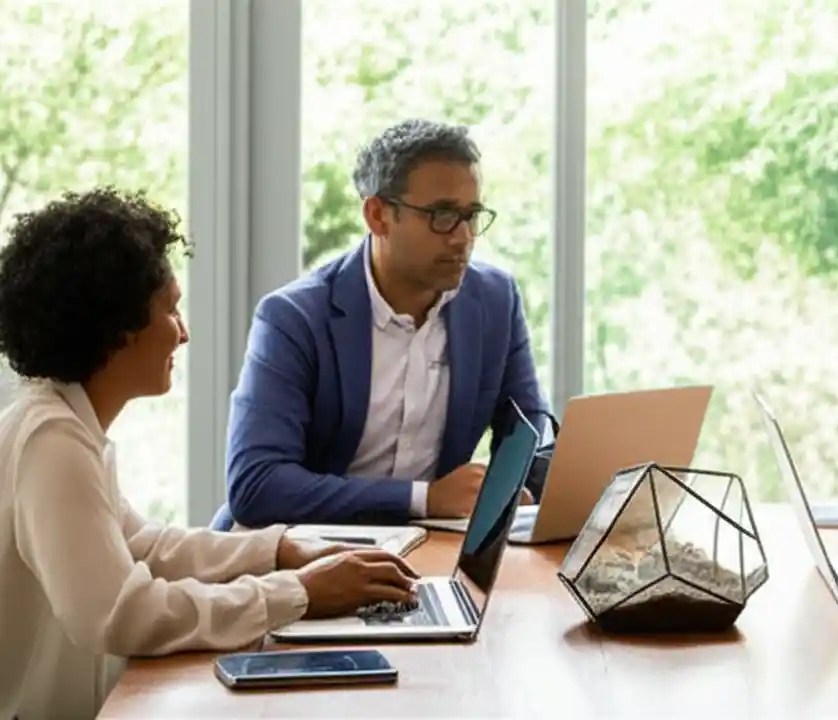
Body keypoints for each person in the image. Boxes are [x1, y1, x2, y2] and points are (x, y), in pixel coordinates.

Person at [0, 189, 419, 718]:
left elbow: (144, 548)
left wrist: (280, 550)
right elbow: (119, 615)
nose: (184, 332)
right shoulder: (51, 442)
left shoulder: (64, 423)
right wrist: (298, 593)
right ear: (115, 328)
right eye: (170, 309)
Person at [211, 119, 547, 531]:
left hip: (426, 551)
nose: (462, 237)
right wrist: (425, 499)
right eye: (442, 215)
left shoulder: (494, 301)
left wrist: (533, 485)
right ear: (378, 215)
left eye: (471, 215)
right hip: (301, 553)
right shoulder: (293, 318)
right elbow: (257, 485)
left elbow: (531, 436)